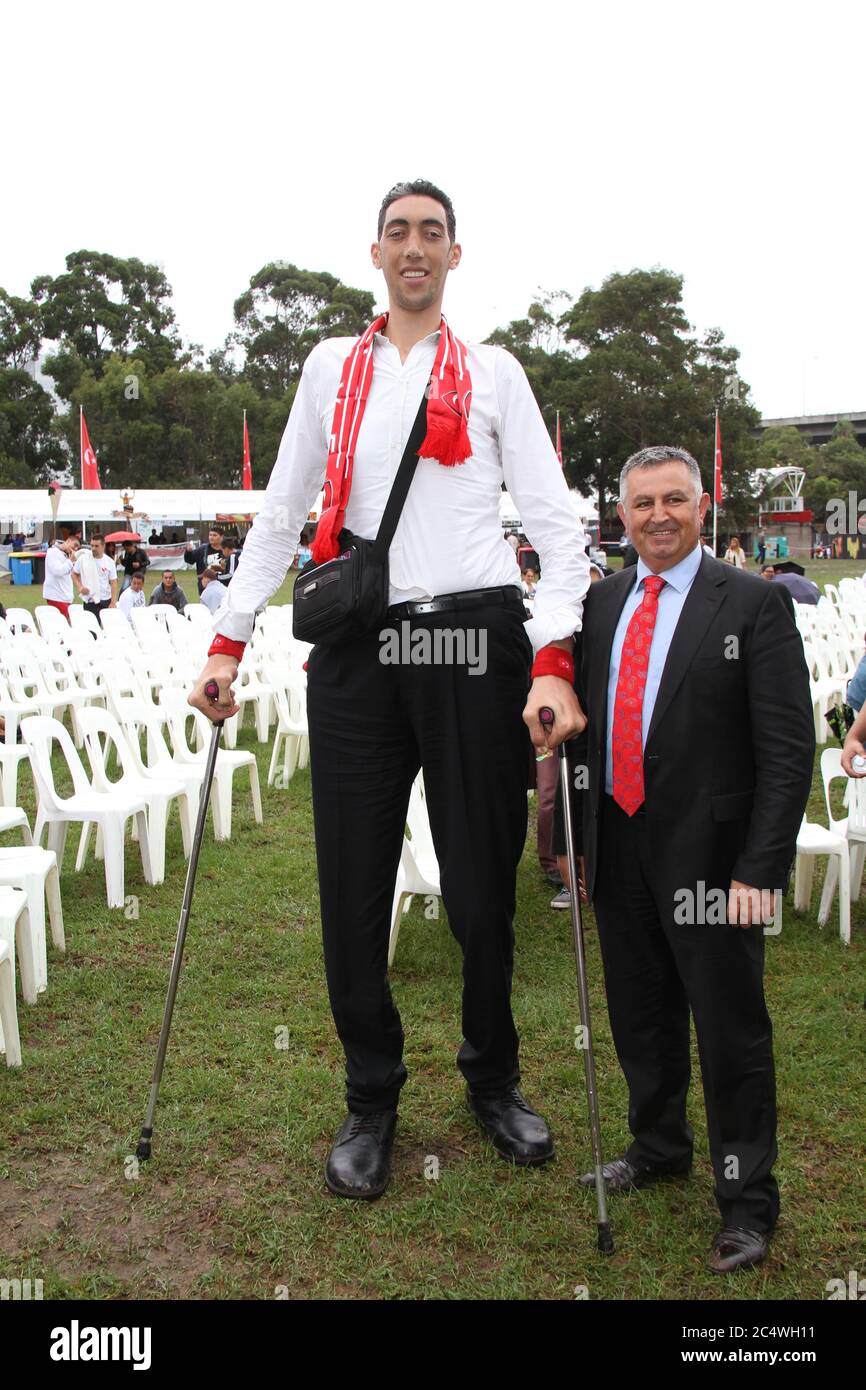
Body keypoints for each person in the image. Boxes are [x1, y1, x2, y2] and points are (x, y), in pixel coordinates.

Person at [191, 177, 590, 1200]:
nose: (415, 246)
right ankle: (371, 1095)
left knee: (477, 885)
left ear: (455, 255)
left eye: (433, 233)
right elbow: (279, 515)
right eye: (397, 232)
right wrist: (227, 640)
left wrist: (550, 658)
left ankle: (491, 1077)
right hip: (364, 650)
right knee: (353, 882)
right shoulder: (331, 367)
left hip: (472, 641)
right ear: (375, 254)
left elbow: (553, 527)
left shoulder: (495, 374)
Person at [552, 444, 814, 1273]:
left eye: (674, 500)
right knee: (640, 1015)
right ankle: (657, 1145)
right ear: (621, 517)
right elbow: (578, 729)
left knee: (730, 1033)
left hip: (715, 863)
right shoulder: (601, 603)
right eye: (641, 504)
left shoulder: (752, 604)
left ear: (703, 506)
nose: (657, 516)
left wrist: (759, 871)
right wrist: (572, 843)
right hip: (619, 846)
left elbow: (788, 748)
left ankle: (746, 1202)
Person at [73, 534, 117, 623]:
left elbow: (113, 582)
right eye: (92, 545)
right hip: (90, 600)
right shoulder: (83, 559)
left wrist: (113, 602)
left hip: (105, 600)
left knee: (107, 628)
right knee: (92, 628)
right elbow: (74, 574)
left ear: (103, 546)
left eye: (96, 546)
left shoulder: (109, 562)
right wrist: (80, 587)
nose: (93, 548)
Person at [42, 535, 82, 621]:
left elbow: (70, 575)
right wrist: (70, 561)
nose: (74, 549)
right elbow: (58, 571)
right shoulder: (53, 552)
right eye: (74, 545)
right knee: (66, 622)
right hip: (56, 596)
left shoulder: (66, 555)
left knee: (69, 621)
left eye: (76, 548)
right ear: (68, 541)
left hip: (65, 596)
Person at [184, 526, 224, 593]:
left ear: (221, 537)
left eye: (214, 535)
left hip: (222, 585)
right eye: (210, 535)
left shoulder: (225, 550)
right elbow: (189, 560)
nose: (211, 537)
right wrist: (188, 552)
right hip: (205, 585)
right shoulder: (202, 549)